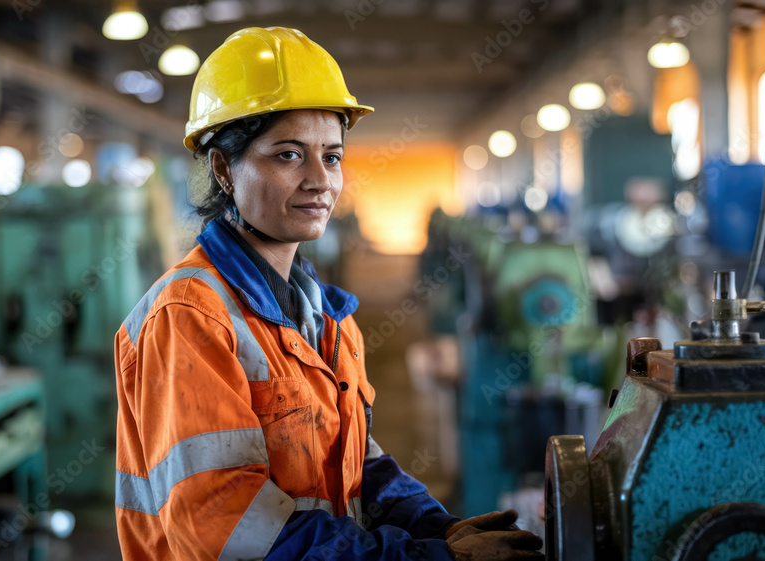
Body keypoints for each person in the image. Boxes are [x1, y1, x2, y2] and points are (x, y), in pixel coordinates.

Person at [113, 26, 545, 561]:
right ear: (224, 168)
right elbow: (224, 526)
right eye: (289, 155)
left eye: (333, 156)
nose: (320, 180)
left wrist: (438, 527)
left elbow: (355, 461)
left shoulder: (328, 317)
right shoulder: (190, 316)